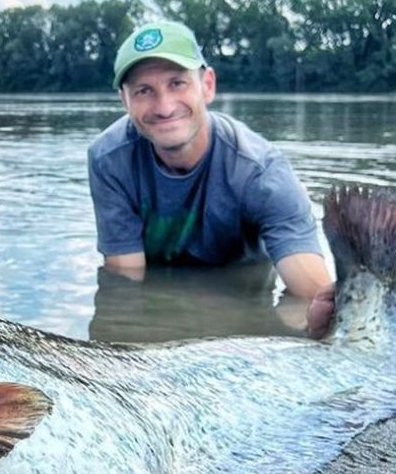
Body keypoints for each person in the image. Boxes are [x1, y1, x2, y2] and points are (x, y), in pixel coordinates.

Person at [88, 20, 334, 337]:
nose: (163, 107)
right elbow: (125, 283)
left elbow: (311, 293)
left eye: (177, 83)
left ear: (207, 85)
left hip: (244, 325)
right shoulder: (109, 159)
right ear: (125, 101)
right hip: (156, 318)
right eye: (144, 91)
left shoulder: (261, 171)